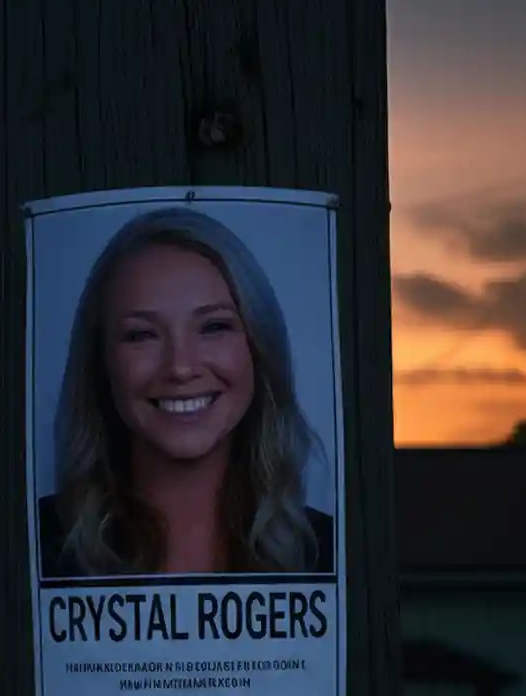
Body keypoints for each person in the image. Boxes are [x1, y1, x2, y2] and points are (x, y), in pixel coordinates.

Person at [38, 206, 334, 577]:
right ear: (100, 363)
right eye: (141, 334)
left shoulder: (328, 552)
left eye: (213, 327)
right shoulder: (35, 547)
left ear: (259, 348)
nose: (180, 367)